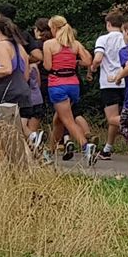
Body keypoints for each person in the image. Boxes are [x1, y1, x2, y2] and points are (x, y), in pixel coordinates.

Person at [40, 15, 94, 163]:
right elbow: (88, 60)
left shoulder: (49, 44)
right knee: (58, 120)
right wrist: (75, 61)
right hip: (73, 84)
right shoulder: (74, 44)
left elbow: (48, 66)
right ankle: (49, 152)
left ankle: (85, 146)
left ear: (54, 28)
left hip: (57, 84)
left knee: (68, 121)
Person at [93, 9, 127, 161]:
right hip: (126, 80)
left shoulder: (103, 39)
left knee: (113, 118)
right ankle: (108, 148)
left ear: (108, 24)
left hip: (109, 82)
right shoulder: (126, 38)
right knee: (122, 115)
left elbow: (98, 58)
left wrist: (93, 67)